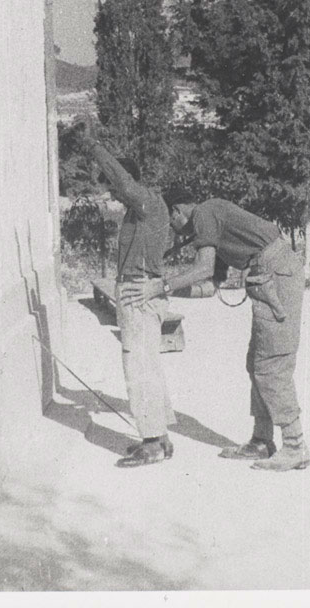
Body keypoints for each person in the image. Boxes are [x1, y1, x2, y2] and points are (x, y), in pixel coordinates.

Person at [121, 190, 310, 472]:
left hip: (275, 276)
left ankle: (295, 446)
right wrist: (160, 293)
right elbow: (210, 286)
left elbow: (203, 267)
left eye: (170, 223)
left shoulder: (204, 213)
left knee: (271, 364)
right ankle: (261, 440)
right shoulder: (213, 229)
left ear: (176, 211)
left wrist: (161, 286)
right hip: (268, 276)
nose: (174, 232)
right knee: (256, 362)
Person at [78, 132, 175, 467]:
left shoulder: (147, 203)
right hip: (140, 291)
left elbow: (122, 179)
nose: (113, 194)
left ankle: (151, 444)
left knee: (138, 367)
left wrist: (92, 145)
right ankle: (160, 437)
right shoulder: (144, 211)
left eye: (114, 187)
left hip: (137, 294)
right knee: (149, 365)